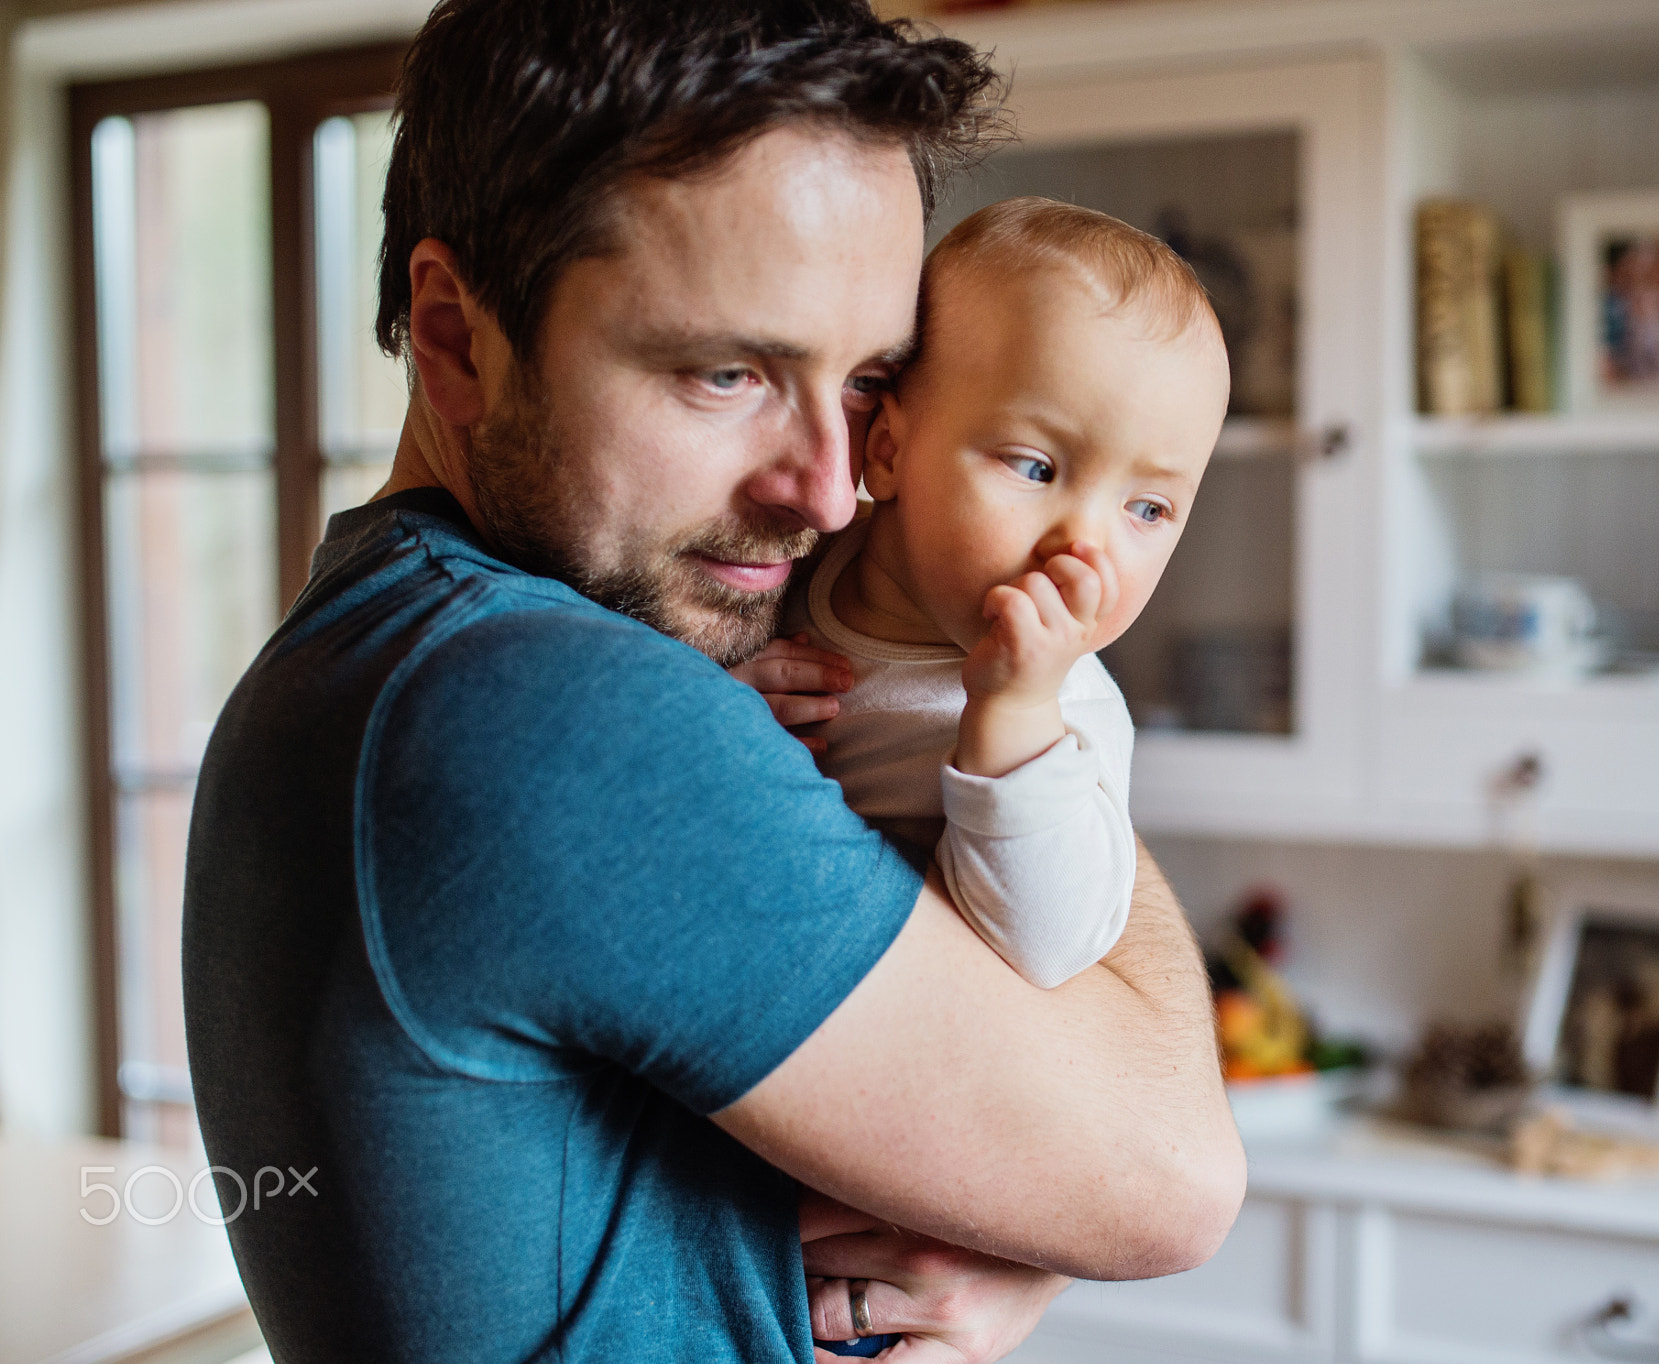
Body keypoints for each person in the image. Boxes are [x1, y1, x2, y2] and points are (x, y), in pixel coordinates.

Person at [180, 3, 1245, 1362]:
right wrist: (1036, 720)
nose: (823, 486)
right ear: (454, 337)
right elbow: (1171, 1182)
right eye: (726, 372)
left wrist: (999, 1229)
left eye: (866, 381)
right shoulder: (551, 710)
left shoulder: (368, 642)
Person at [737, 198, 1228, 991]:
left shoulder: (1068, 718)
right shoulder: (795, 560)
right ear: (890, 451)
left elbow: (1049, 944)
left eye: (1148, 508)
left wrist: (1014, 716)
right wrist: (724, 706)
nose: (1085, 544)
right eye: (1036, 468)